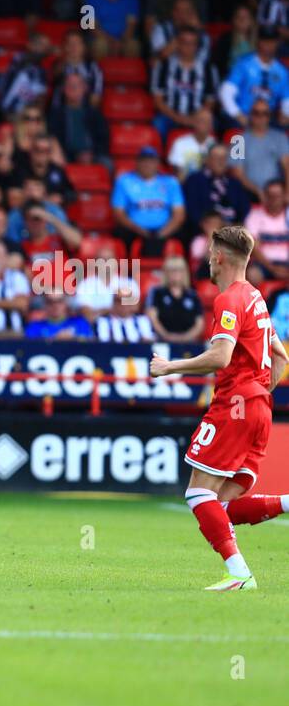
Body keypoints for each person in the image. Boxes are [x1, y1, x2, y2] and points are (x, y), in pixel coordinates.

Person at [149, 225, 289, 591]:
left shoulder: (229, 300)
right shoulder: (256, 297)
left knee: (198, 494)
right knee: (221, 506)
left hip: (235, 405)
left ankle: (239, 573)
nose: (207, 260)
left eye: (210, 254)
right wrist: (261, 390)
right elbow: (280, 355)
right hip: (259, 407)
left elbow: (221, 355)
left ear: (219, 257)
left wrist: (170, 367)